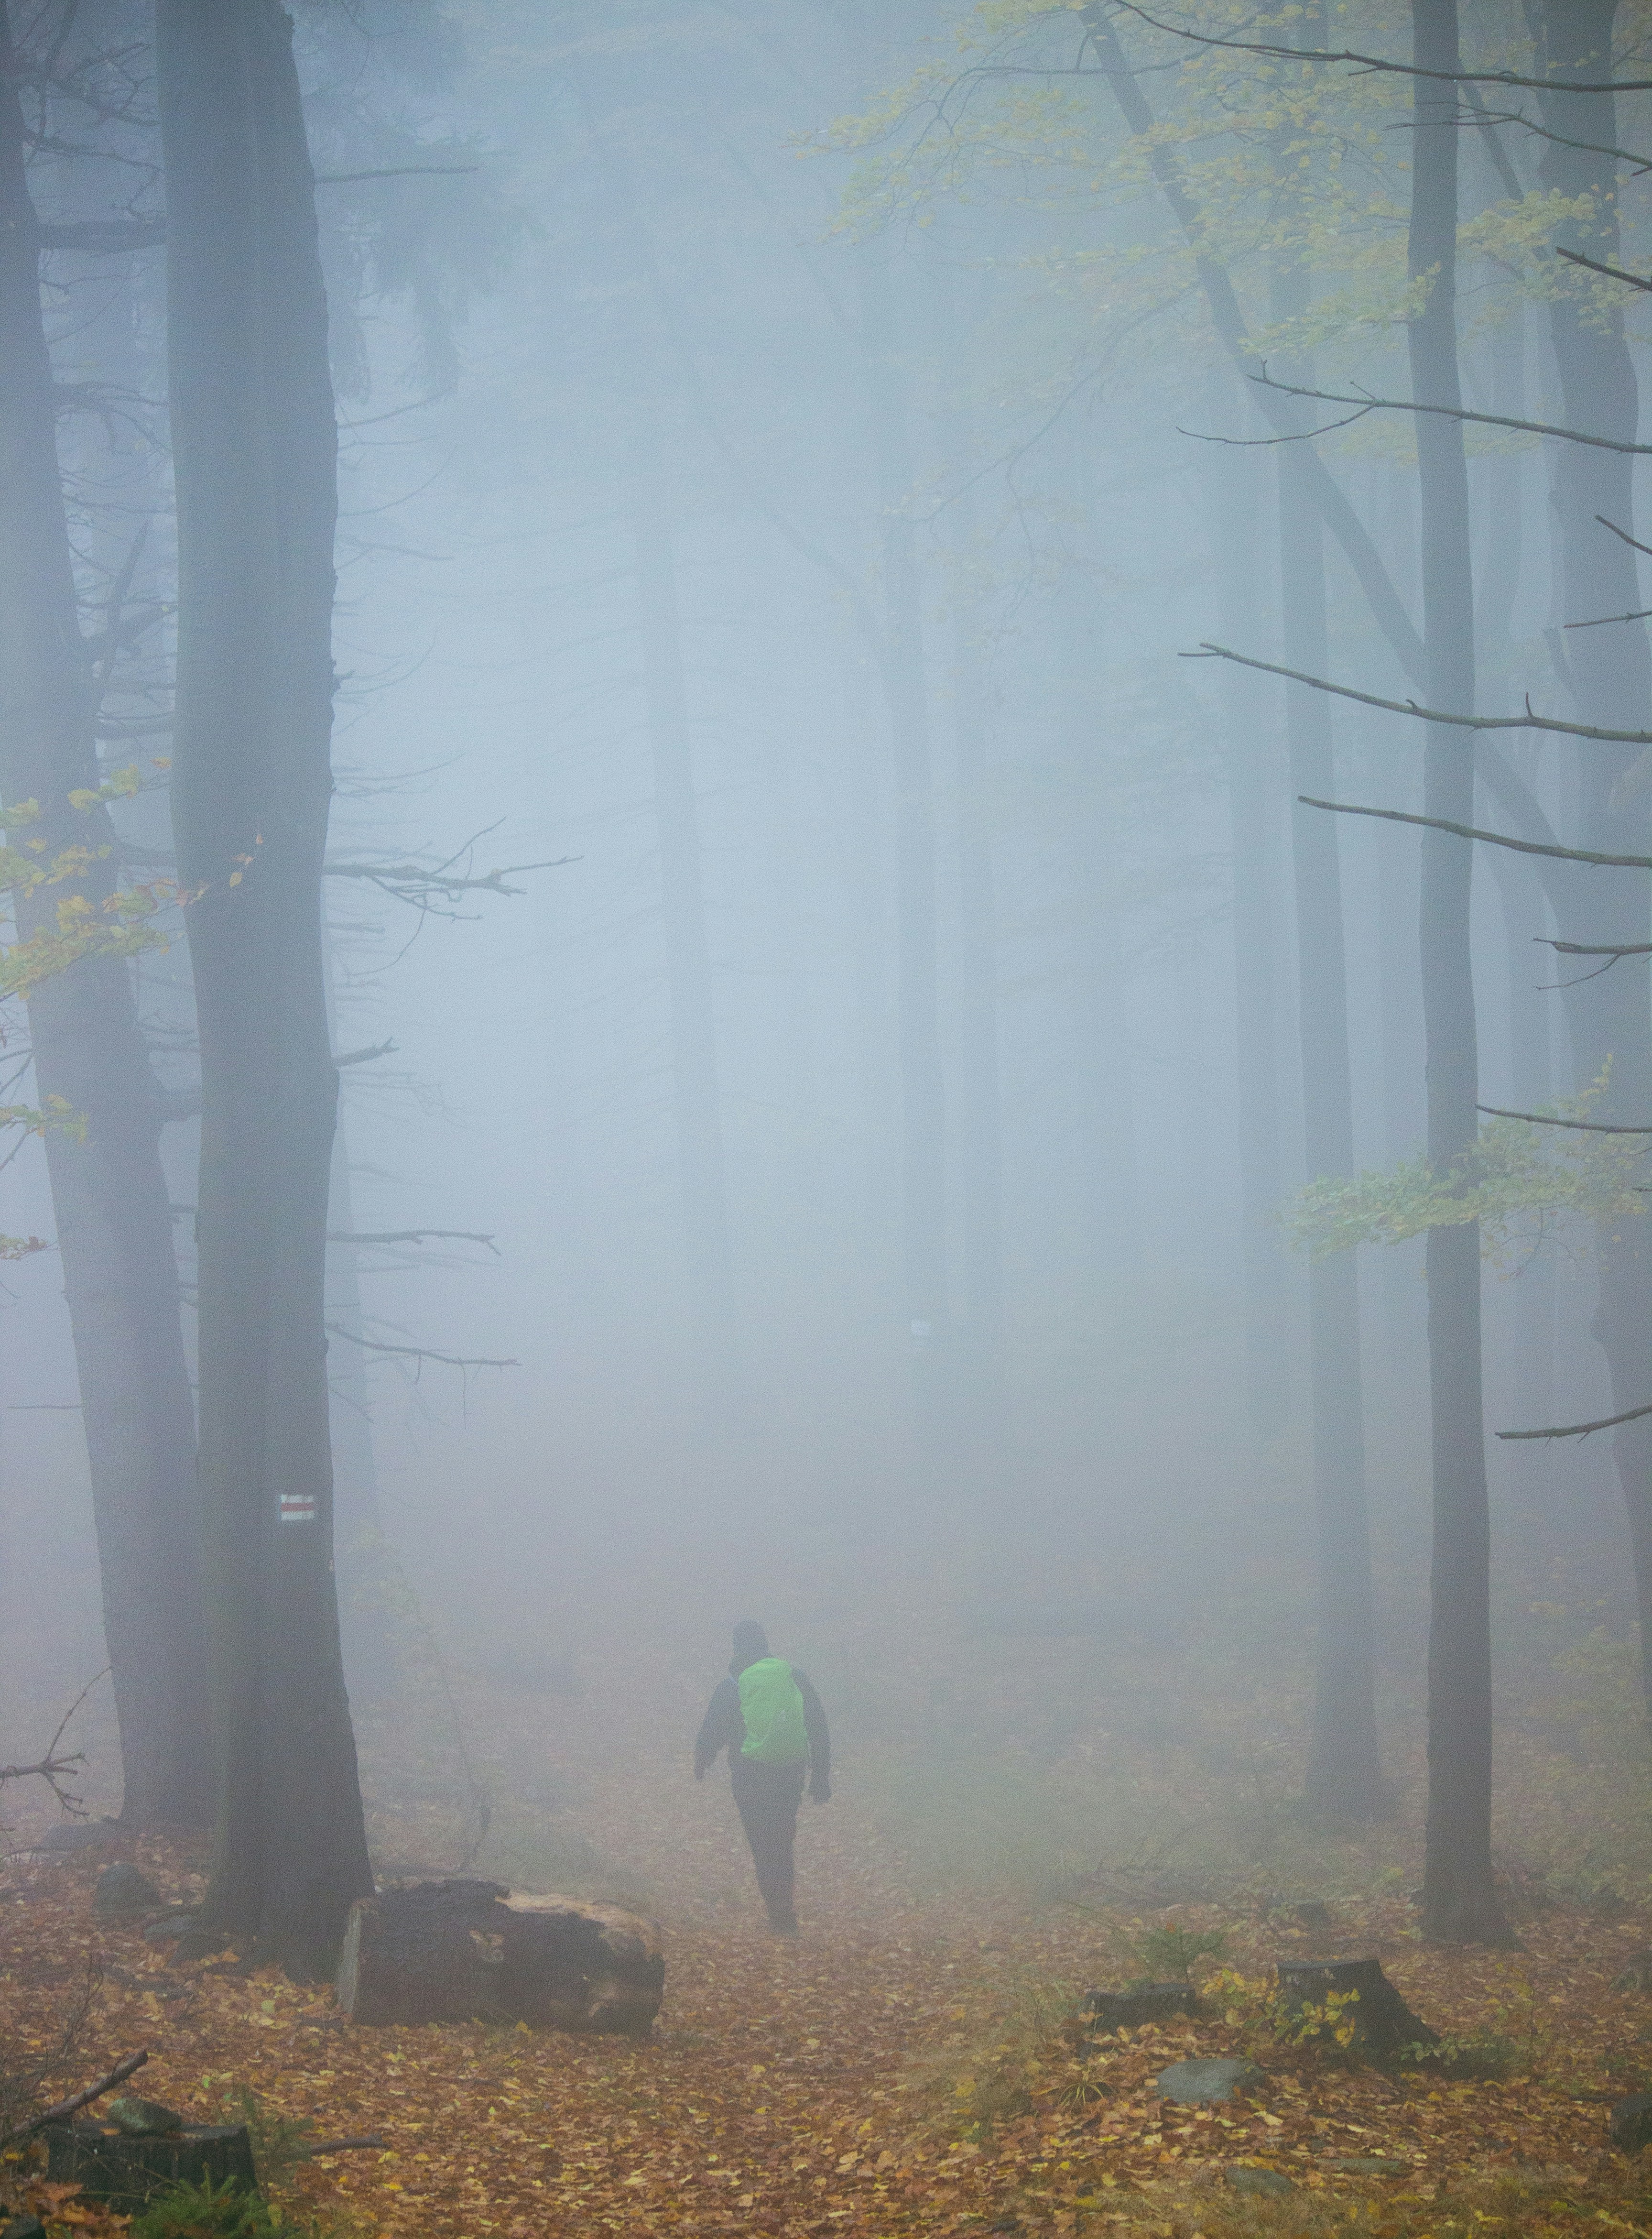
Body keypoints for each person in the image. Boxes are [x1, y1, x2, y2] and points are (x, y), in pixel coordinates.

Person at [694, 1619, 830, 1935]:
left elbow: (713, 1726)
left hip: (749, 1776)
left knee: (762, 1843)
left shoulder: (732, 1684)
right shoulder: (793, 1677)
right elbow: (817, 1725)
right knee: (782, 1841)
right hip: (789, 1773)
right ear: (766, 1643)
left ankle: (778, 1912)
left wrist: (703, 1759)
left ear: (737, 1647)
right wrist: (820, 1777)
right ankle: (784, 1914)